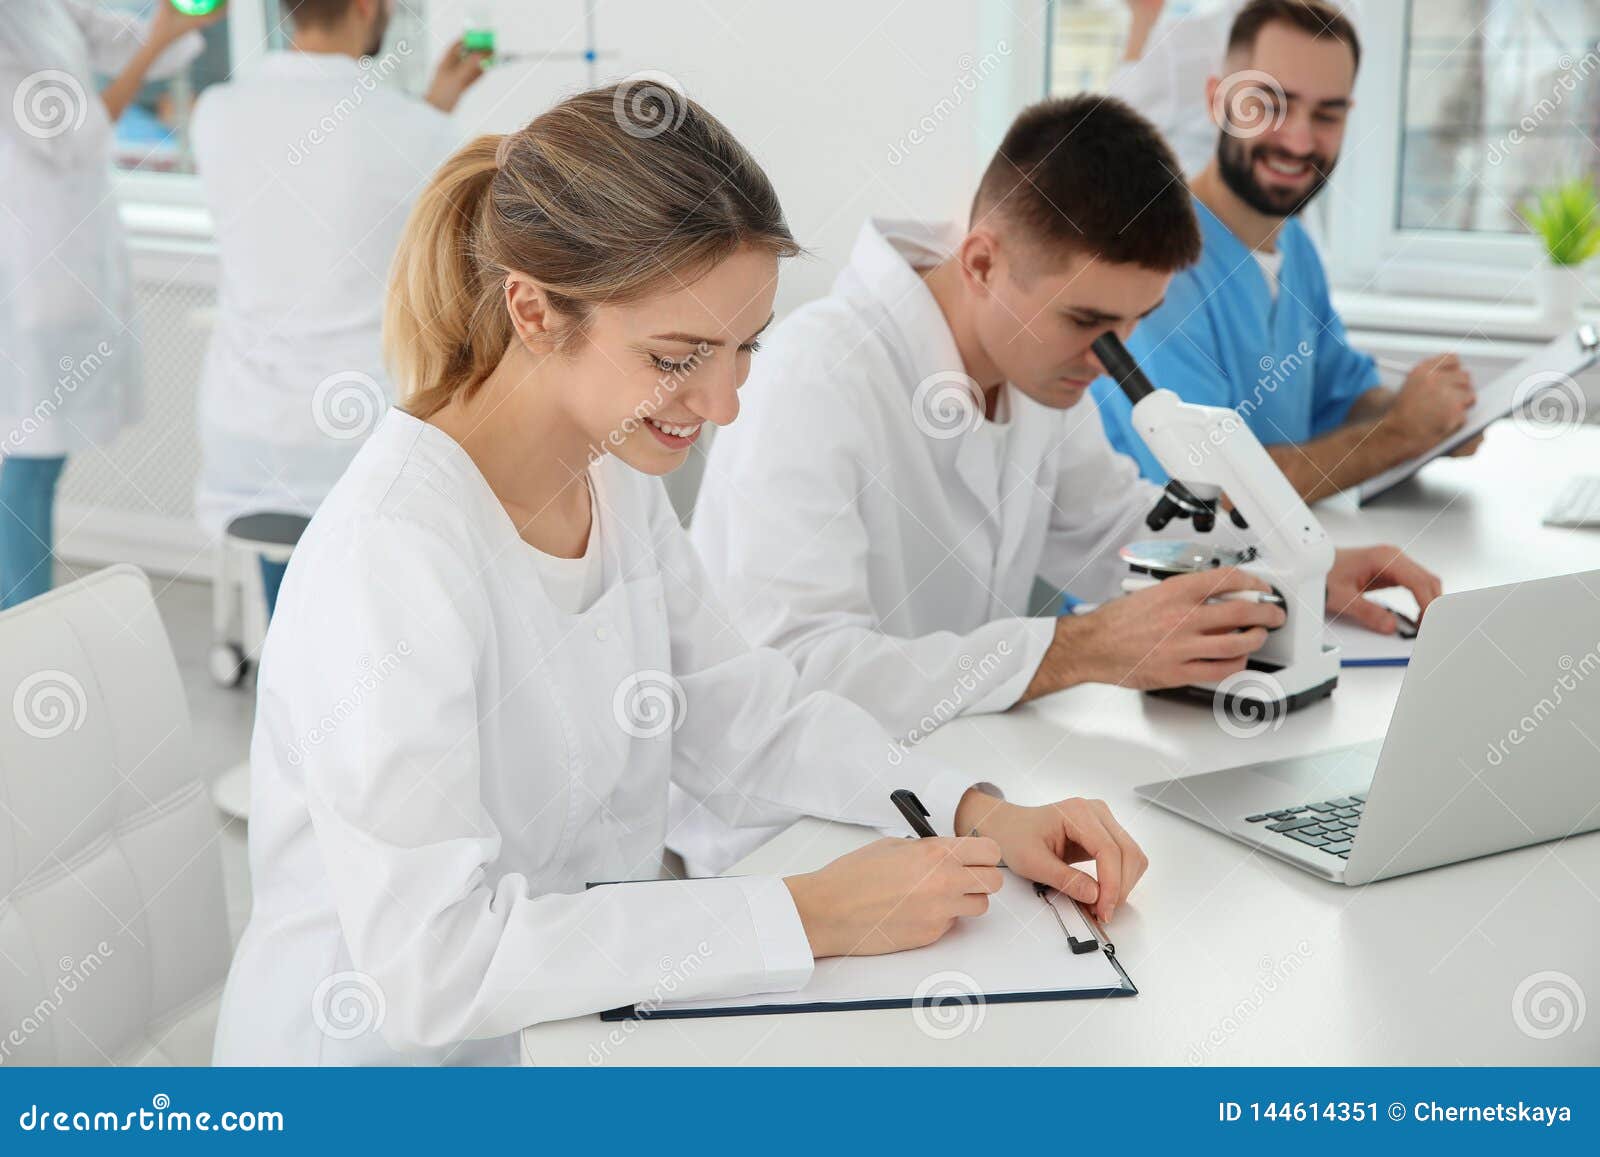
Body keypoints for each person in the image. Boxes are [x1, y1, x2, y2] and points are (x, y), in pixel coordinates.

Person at [211, 87, 1149, 1066]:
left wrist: (977, 810)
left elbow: (746, 715)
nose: (725, 403)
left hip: (573, 1033)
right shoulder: (393, 555)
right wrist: (803, 912)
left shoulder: (608, 474)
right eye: (678, 356)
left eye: (745, 348)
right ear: (532, 310)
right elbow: (434, 965)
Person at [684, 93, 1440, 875]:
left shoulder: (1039, 368)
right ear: (981, 262)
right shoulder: (817, 376)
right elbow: (804, 674)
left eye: (1135, 321)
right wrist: (1076, 650)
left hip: (954, 788)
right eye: (1086, 321)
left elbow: (1117, 531)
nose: (1108, 357)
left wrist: (1289, 565)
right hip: (783, 839)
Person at [1093, 0, 1479, 503]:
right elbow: (1210, 489)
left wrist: (1436, 416)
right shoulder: (1157, 262)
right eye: (1271, 105)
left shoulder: (1295, 247)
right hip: (1164, 577)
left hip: (1274, 567)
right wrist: (1402, 433)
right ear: (1217, 101)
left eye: (1326, 114)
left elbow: (1340, 397)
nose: (1299, 141)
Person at [190, 0, 487, 615]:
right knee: (371, 626)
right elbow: (385, 179)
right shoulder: (415, 128)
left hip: (249, 437)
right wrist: (433, 108)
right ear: (365, 7)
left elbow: (321, 185)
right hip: (360, 438)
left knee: (294, 633)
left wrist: (428, 107)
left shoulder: (215, 112)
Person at [0, 0, 220, 607]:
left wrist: (177, 23)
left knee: (38, 461)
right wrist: (158, 43)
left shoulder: (45, 8)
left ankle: (24, 625)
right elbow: (69, 137)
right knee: (27, 459)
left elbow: (139, 41)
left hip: (63, 259)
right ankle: (20, 632)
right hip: (26, 274)